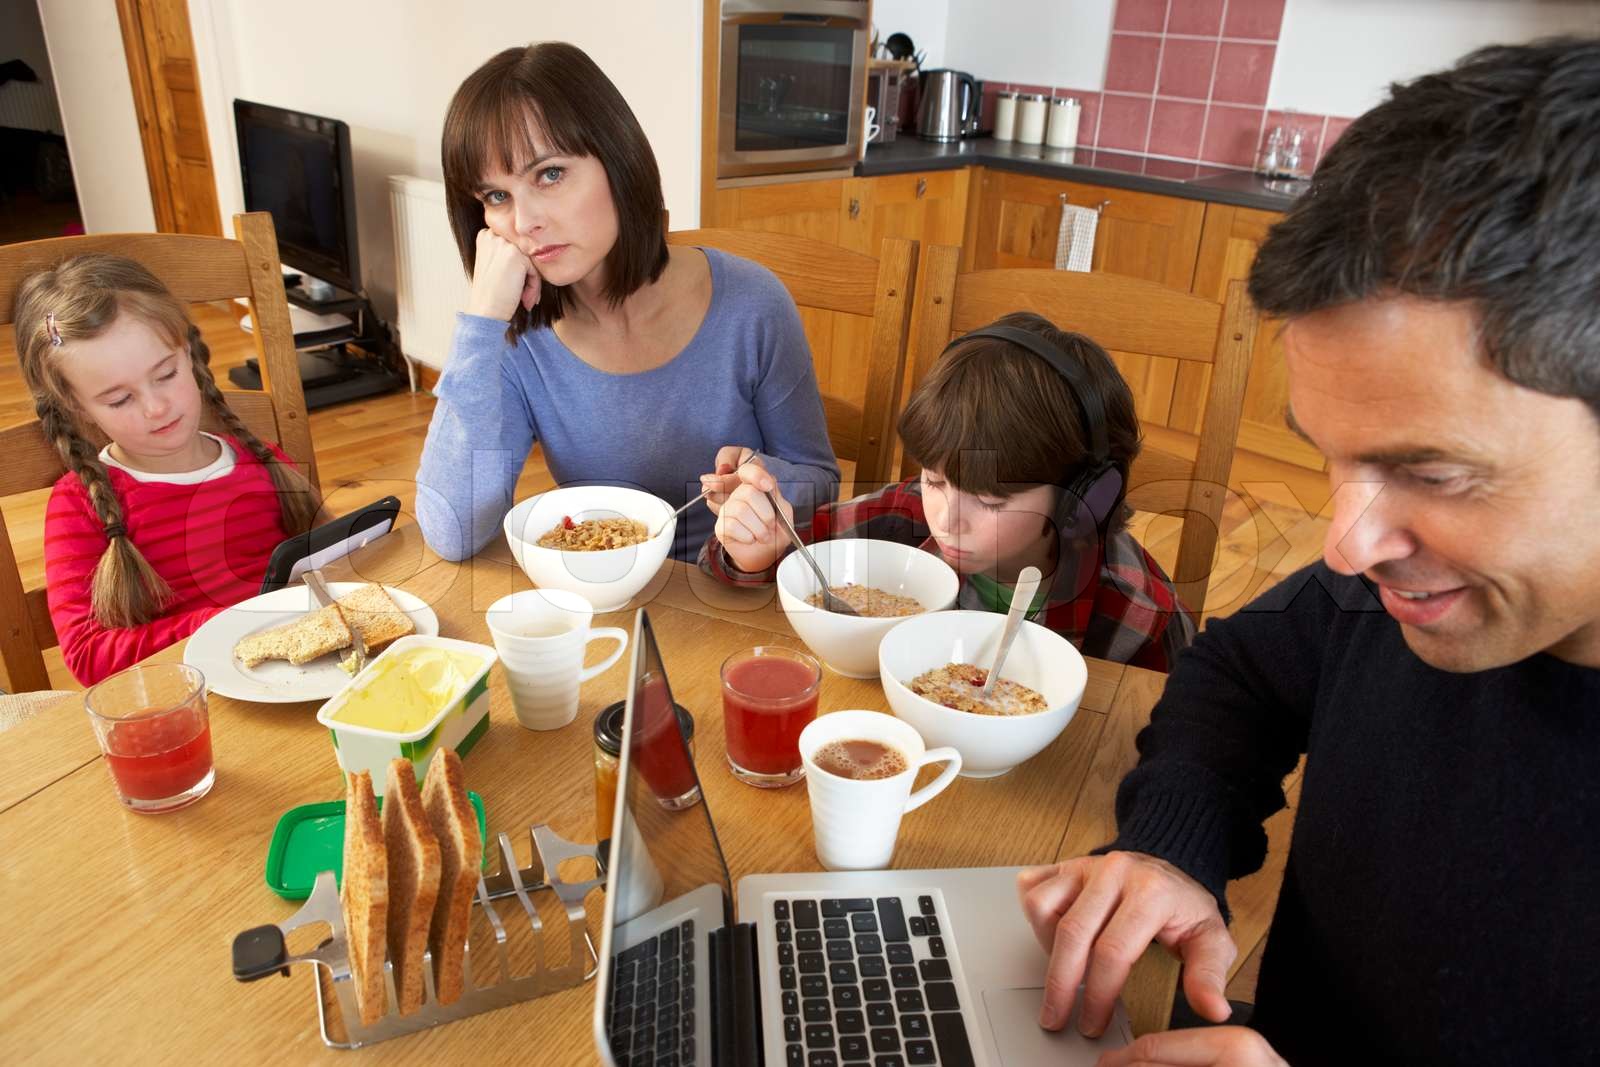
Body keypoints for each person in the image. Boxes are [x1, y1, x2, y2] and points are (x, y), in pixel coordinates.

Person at [1015, 38, 1600, 1066]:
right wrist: (1173, 844)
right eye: (1328, 457)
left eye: (1435, 471)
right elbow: (1240, 672)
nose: (1346, 543)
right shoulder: (1378, 591)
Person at [416, 42, 839, 563]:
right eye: (496, 197)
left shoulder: (752, 304)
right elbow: (453, 533)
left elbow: (820, 480)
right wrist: (480, 326)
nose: (524, 223)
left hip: (734, 598)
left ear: (618, 162)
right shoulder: (515, 333)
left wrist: (768, 483)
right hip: (599, 604)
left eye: (549, 175)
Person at [702, 312, 1195, 670]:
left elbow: (1169, 749)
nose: (946, 520)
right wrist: (756, 553)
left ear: (1083, 498)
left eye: (991, 501)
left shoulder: (1138, 612)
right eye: (936, 480)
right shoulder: (904, 514)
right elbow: (755, 569)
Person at [14, 254, 321, 685]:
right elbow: (88, 657)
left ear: (188, 351)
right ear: (76, 405)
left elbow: (329, 572)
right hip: (186, 700)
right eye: (120, 400)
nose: (156, 408)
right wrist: (231, 624)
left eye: (166, 374)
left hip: (307, 674)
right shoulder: (79, 505)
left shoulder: (264, 463)